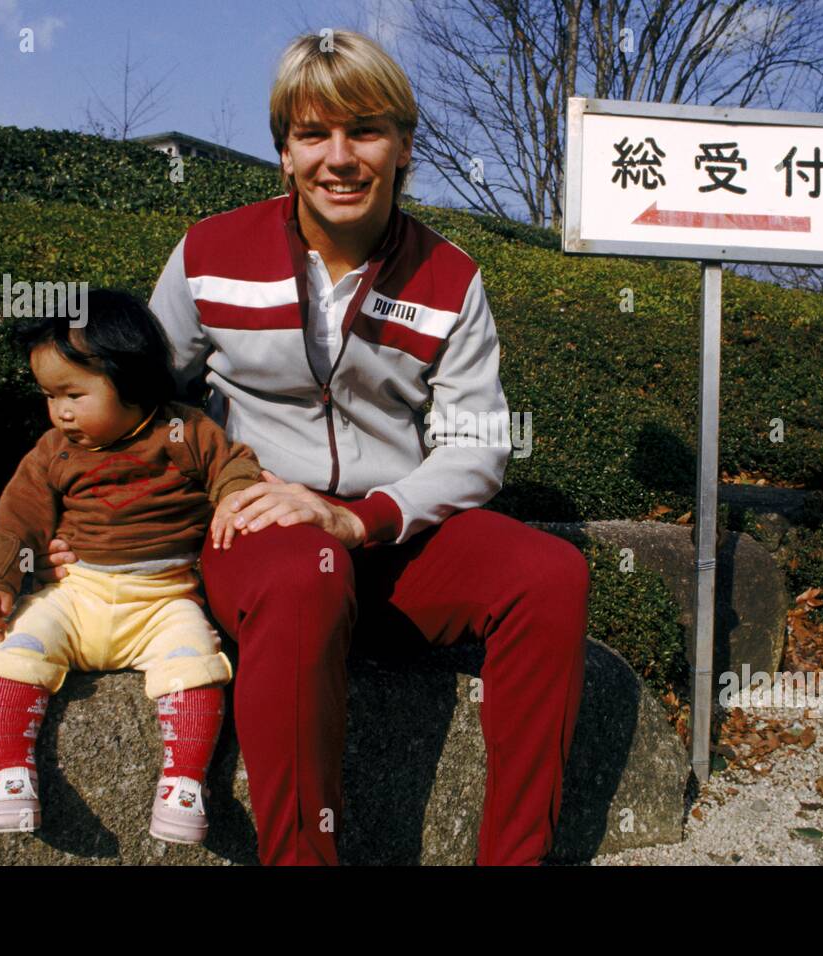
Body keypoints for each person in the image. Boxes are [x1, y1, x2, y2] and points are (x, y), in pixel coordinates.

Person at [38, 30, 590, 865]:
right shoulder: (209, 253)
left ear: (404, 146)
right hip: (262, 540)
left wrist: (362, 518)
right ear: (285, 153)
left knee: (551, 574)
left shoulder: (452, 278)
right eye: (312, 134)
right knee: (307, 572)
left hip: (392, 534)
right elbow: (137, 403)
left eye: (365, 131)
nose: (339, 157)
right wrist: (92, 520)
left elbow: (477, 447)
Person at [0, 288, 264, 844]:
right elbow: (15, 520)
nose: (60, 411)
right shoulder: (53, 450)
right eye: (49, 396)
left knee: (196, 668)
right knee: (13, 654)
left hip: (164, 599)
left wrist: (234, 499)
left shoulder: (184, 431)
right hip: (75, 594)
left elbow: (233, 467)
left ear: (131, 378)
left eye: (73, 393)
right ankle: (7, 774)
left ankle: (184, 784)